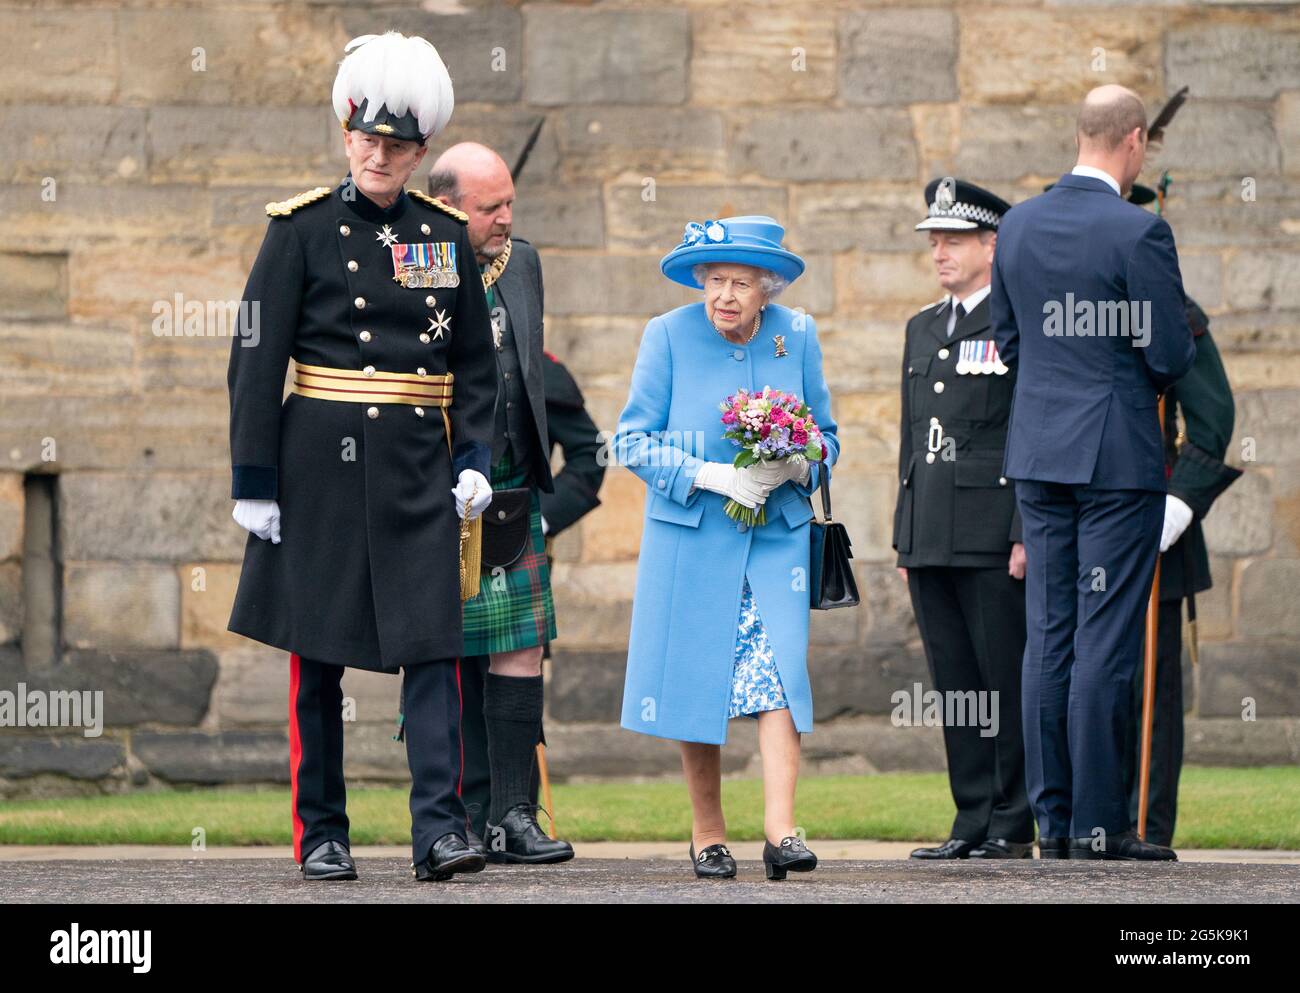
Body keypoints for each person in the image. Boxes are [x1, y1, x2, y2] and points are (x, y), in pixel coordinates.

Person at [226, 32, 497, 883]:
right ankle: (323, 832)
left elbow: (474, 368)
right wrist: (254, 480)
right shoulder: (298, 230)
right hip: (319, 467)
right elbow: (254, 357)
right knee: (318, 653)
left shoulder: (444, 235)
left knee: (433, 651)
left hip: (419, 465)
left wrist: (475, 458)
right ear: (347, 136)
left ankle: (440, 831)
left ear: (419, 153)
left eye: (397, 145)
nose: (379, 155)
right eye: (366, 140)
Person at [990, 85, 1196, 861]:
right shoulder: (1140, 232)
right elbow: (1170, 356)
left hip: (1039, 454)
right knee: (1105, 642)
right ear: (1134, 141)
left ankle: (1054, 821)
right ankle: (1098, 827)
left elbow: (1010, 344)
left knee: (1048, 638)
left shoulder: (1016, 226)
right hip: (1114, 458)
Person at [614, 216, 840, 880]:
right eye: (714, 281)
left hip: (776, 543)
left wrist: (801, 462)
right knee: (697, 682)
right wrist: (711, 475)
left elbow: (827, 434)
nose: (725, 296)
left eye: (740, 283)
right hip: (695, 540)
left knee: (778, 680)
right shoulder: (667, 335)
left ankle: (781, 831)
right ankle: (707, 833)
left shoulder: (795, 334)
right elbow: (631, 440)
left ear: (765, 287)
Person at [421, 143, 573, 864]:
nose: (508, 218)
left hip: (508, 488)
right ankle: (451, 819)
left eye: (510, 202)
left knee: (518, 651)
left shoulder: (525, 264)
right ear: (449, 207)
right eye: (492, 208)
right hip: (438, 492)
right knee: (441, 652)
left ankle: (514, 814)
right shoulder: (415, 265)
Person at [894, 179, 1035, 859]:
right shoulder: (922, 326)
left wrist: (1020, 529)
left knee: (1001, 678)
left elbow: (1023, 431)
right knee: (954, 684)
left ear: (992, 244)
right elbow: (910, 437)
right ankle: (970, 815)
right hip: (931, 533)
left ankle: (1011, 818)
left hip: (989, 532)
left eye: (953, 239)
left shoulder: (1015, 323)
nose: (940, 251)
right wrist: (905, 530)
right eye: (934, 240)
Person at [1116, 183, 1241, 847]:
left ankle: (1146, 826)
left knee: (1150, 692)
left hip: (1156, 525)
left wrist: (1179, 502)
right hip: (1085, 523)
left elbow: (1213, 416)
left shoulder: (1178, 314)